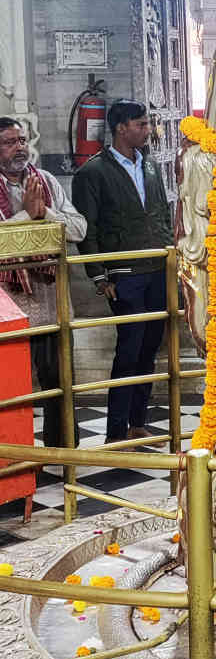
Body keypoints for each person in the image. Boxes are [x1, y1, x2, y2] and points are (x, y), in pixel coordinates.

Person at [72, 100, 172, 443]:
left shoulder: (151, 166)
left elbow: (161, 213)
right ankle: (115, 430)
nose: (147, 130)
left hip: (157, 269)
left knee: (149, 350)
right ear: (121, 128)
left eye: (147, 124)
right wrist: (99, 276)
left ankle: (137, 422)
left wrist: (170, 253)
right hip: (124, 273)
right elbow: (89, 228)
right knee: (129, 349)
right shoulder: (93, 173)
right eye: (141, 124)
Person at [0, 117, 86, 446]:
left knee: (59, 380)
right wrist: (26, 214)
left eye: (22, 140)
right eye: (10, 142)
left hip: (52, 304)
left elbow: (79, 229)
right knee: (13, 386)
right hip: (9, 309)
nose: (20, 147)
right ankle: (18, 459)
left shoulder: (45, 180)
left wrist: (45, 212)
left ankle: (64, 453)